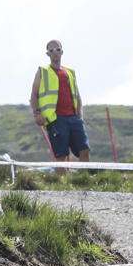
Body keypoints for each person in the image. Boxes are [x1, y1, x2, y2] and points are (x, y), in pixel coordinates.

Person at [30, 40, 89, 176]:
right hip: (56, 118)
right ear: (47, 54)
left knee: (84, 150)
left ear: (62, 51)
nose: (54, 53)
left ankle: (84, 180)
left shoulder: (70, 72)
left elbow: (77, 95)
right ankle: (61, 185)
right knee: (61, 154)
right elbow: (34, 94)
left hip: (74, 117)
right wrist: (36, 113)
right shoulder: (42, 71)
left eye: (57, 49)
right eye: (51, 51)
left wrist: (80, 115)